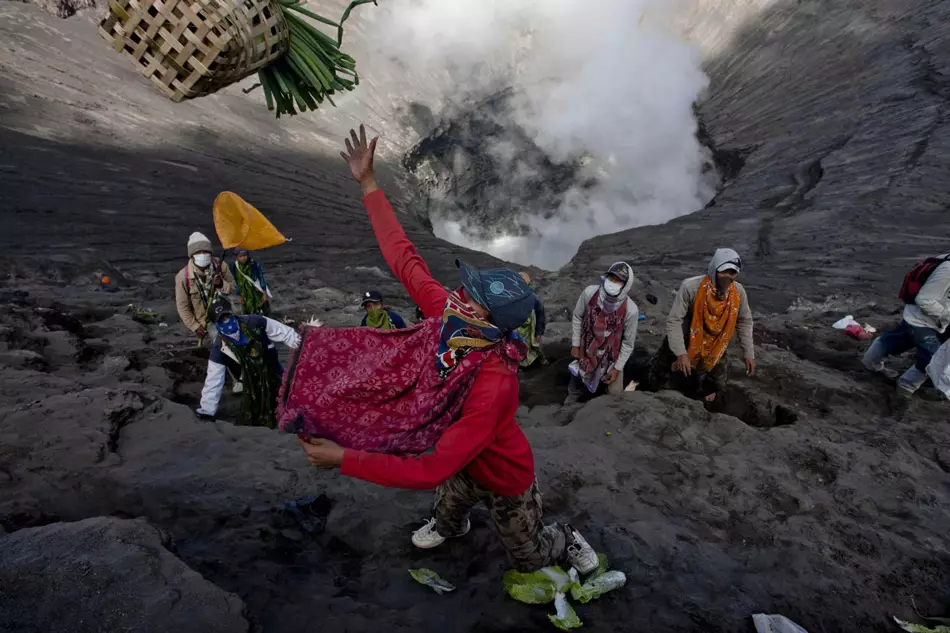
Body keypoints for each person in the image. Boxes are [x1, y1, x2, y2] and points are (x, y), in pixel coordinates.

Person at [296, 124, 599, 575]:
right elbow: (405, 260)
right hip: (464, 462)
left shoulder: (493, 385)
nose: (458, 293)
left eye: (471, 296)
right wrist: (369, 184)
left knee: (529, 558)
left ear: (488, 321)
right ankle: (449, 522)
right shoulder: (451, 318)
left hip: (504, 477)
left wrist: (345, 459)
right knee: (449, 505)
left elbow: (429, 468)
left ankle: (564, 539)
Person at [648, 249, 755, 402]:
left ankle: (700, 397)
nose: (728, 277)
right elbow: (674, 321)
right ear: (714, 268)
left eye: (733, 273)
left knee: (717, 383)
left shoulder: (737, 293)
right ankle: (655, 393)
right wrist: (681, 353)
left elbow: (744, 321)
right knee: (660, 370)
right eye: (724, 271)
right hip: (686, 337)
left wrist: (748, 353)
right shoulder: (691, 288)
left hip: (716, 343)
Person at [195, 297, 300, 427]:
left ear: (233, 313)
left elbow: (286, 334)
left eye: (227, 316)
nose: (227, 322)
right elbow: (213, 380)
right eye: (222, 321)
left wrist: (305, 350)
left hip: (272, 369)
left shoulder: (254, 322)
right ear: (216, 325)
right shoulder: (219, 348)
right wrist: (207, 410)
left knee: (290, 397)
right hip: (251, 382)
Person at [863, 252, 950, 409]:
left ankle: (869, 364)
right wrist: (947, 315)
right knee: (932, 358)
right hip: (921, 319)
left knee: (897, 340)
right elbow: (925, 300)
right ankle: (905, 389)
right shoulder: (948, 269)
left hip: (928, 318)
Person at [568, 262, 639, 401]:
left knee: (614, 396)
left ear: (626, 285)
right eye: (611, 278)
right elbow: (577, 316)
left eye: (618, 281)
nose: (613, 283)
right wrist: (575, 345)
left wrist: (617, 369)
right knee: (576, 385)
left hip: (611, 358)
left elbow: (628, 343)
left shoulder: (630, 310)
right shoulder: (590, 293)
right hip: (585, 350)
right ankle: (568, 408)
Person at [175, 232, 235, 344]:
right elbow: (182, 307)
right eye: (198, 252)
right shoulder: (183, 277)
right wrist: (195, 326)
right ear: (192, 254)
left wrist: (221, 284)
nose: (203, 254)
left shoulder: (221, 266)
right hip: (205, 324)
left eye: (206, 251)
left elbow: (233, 289)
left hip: (226, 316)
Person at [516, 272, 547, 369]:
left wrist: (538, 332)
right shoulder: (511, 298)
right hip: (515, 331)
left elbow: (540, 316)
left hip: (529, 332)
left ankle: (535, 365)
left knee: (532, 349)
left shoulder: (534, 299)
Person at [229, 248, 271, 316]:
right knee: (245, 312)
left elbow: (261, 277)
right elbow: (234, 281)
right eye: (240, 256)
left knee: (260, 309)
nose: (243, 258)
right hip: (243, 294)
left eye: (245, 255)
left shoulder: (254, 265)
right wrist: (238, 295)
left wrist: (264, 292)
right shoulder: (233, 267)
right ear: (236, 257)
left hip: (256, 292)